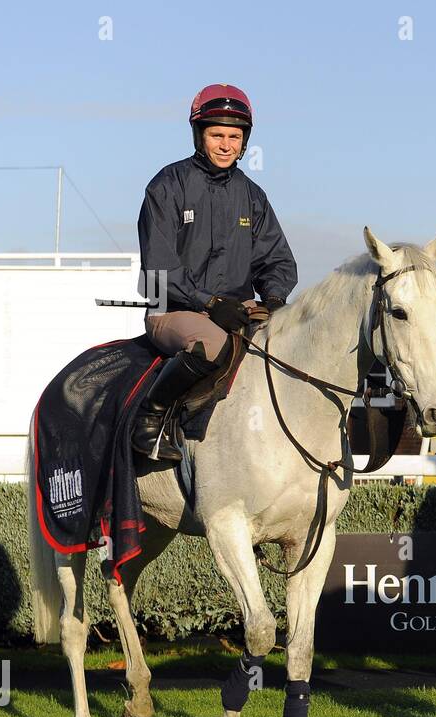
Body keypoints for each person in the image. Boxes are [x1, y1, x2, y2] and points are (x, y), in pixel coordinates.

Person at [132, 83, 298, 460]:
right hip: (171, 310)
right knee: (213, 346)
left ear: (244, 142)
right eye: (217, 135)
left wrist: (272, 298)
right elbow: (157, 269)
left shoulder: (253, 195)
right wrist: (208, 302)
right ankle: (151, 420)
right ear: (199, 135)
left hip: (235, 311)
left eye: (234, 137)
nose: (226, 144)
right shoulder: (166, 186)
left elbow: (277, 259)